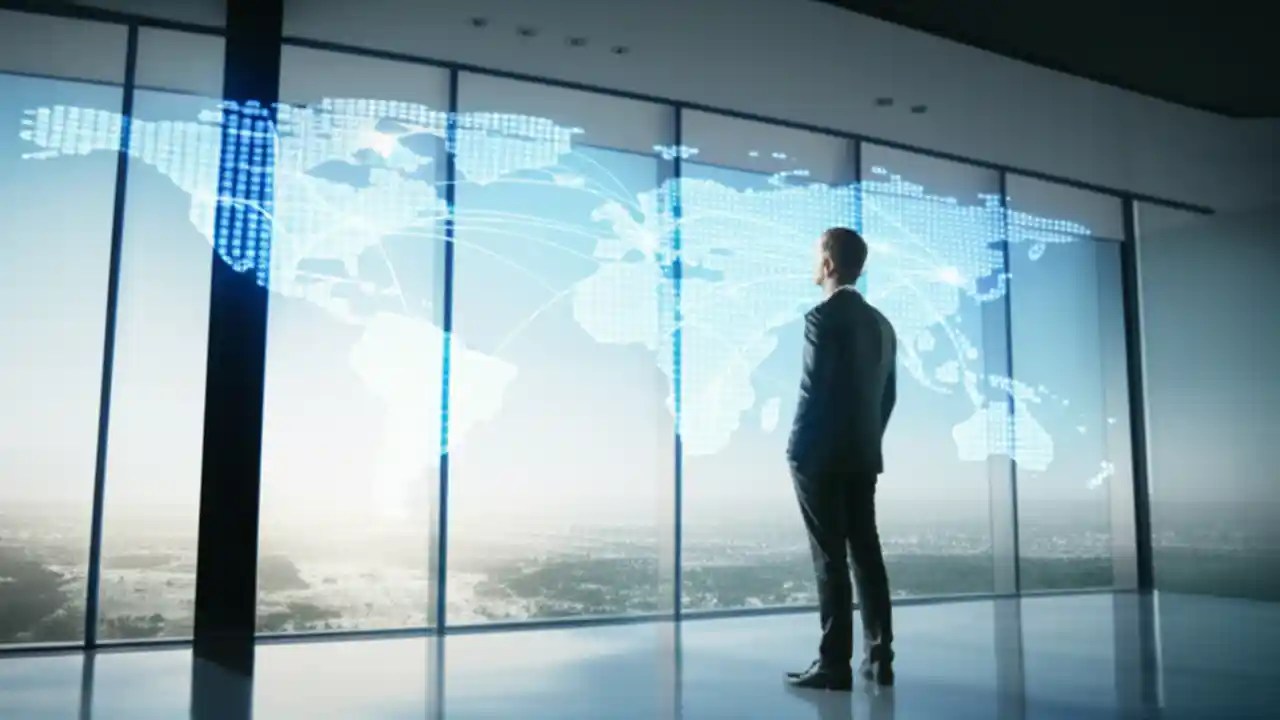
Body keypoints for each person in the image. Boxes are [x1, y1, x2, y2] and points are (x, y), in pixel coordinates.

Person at [785, 227, 898, 691]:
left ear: (828, 264)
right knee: (866, 553)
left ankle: (834, 664)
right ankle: (879, 657)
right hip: (862, 453)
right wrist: (867, 439)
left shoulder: (822, 318)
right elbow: (887, 397)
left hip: (819, 455)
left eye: (818, 256)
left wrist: (796, 449)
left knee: (829, 558)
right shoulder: (883, 325)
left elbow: (812, 391)